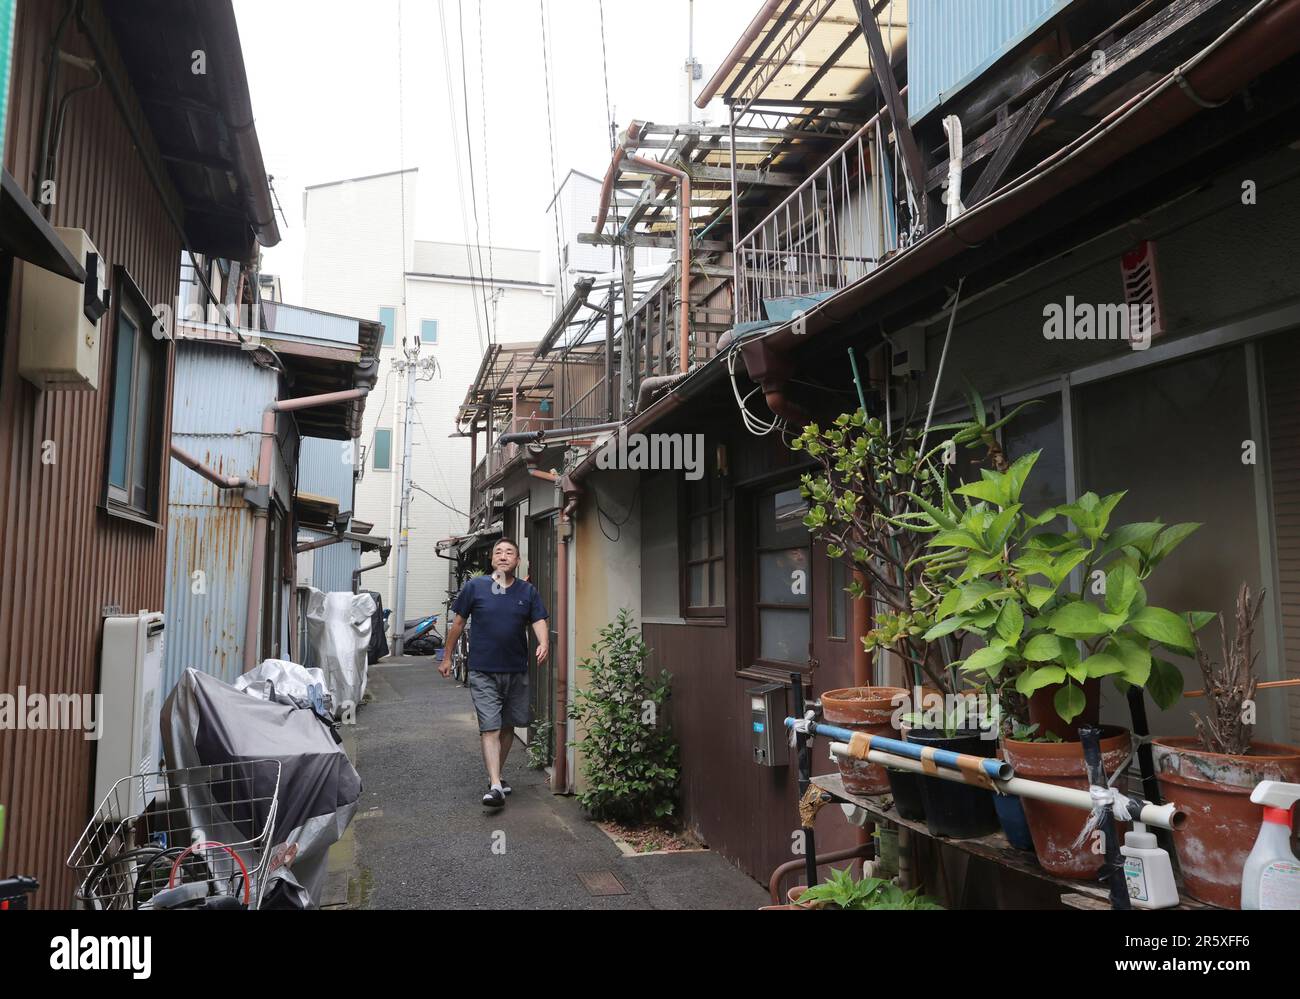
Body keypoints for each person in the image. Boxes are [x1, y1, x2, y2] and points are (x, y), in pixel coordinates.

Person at [440, 538, 549, 808]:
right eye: (498, 552)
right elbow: (458, 623)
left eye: (509, 552)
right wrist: (447, 656)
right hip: (483, 670)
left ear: (518, 560)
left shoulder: (527, 591)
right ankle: (496, 786)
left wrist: (544, 643)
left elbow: (538, 619)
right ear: (492, 559)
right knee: (490, 726)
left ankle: (496, 776)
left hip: (515, 669)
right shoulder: (475, 587)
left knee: (509, 725)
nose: (503, 556)